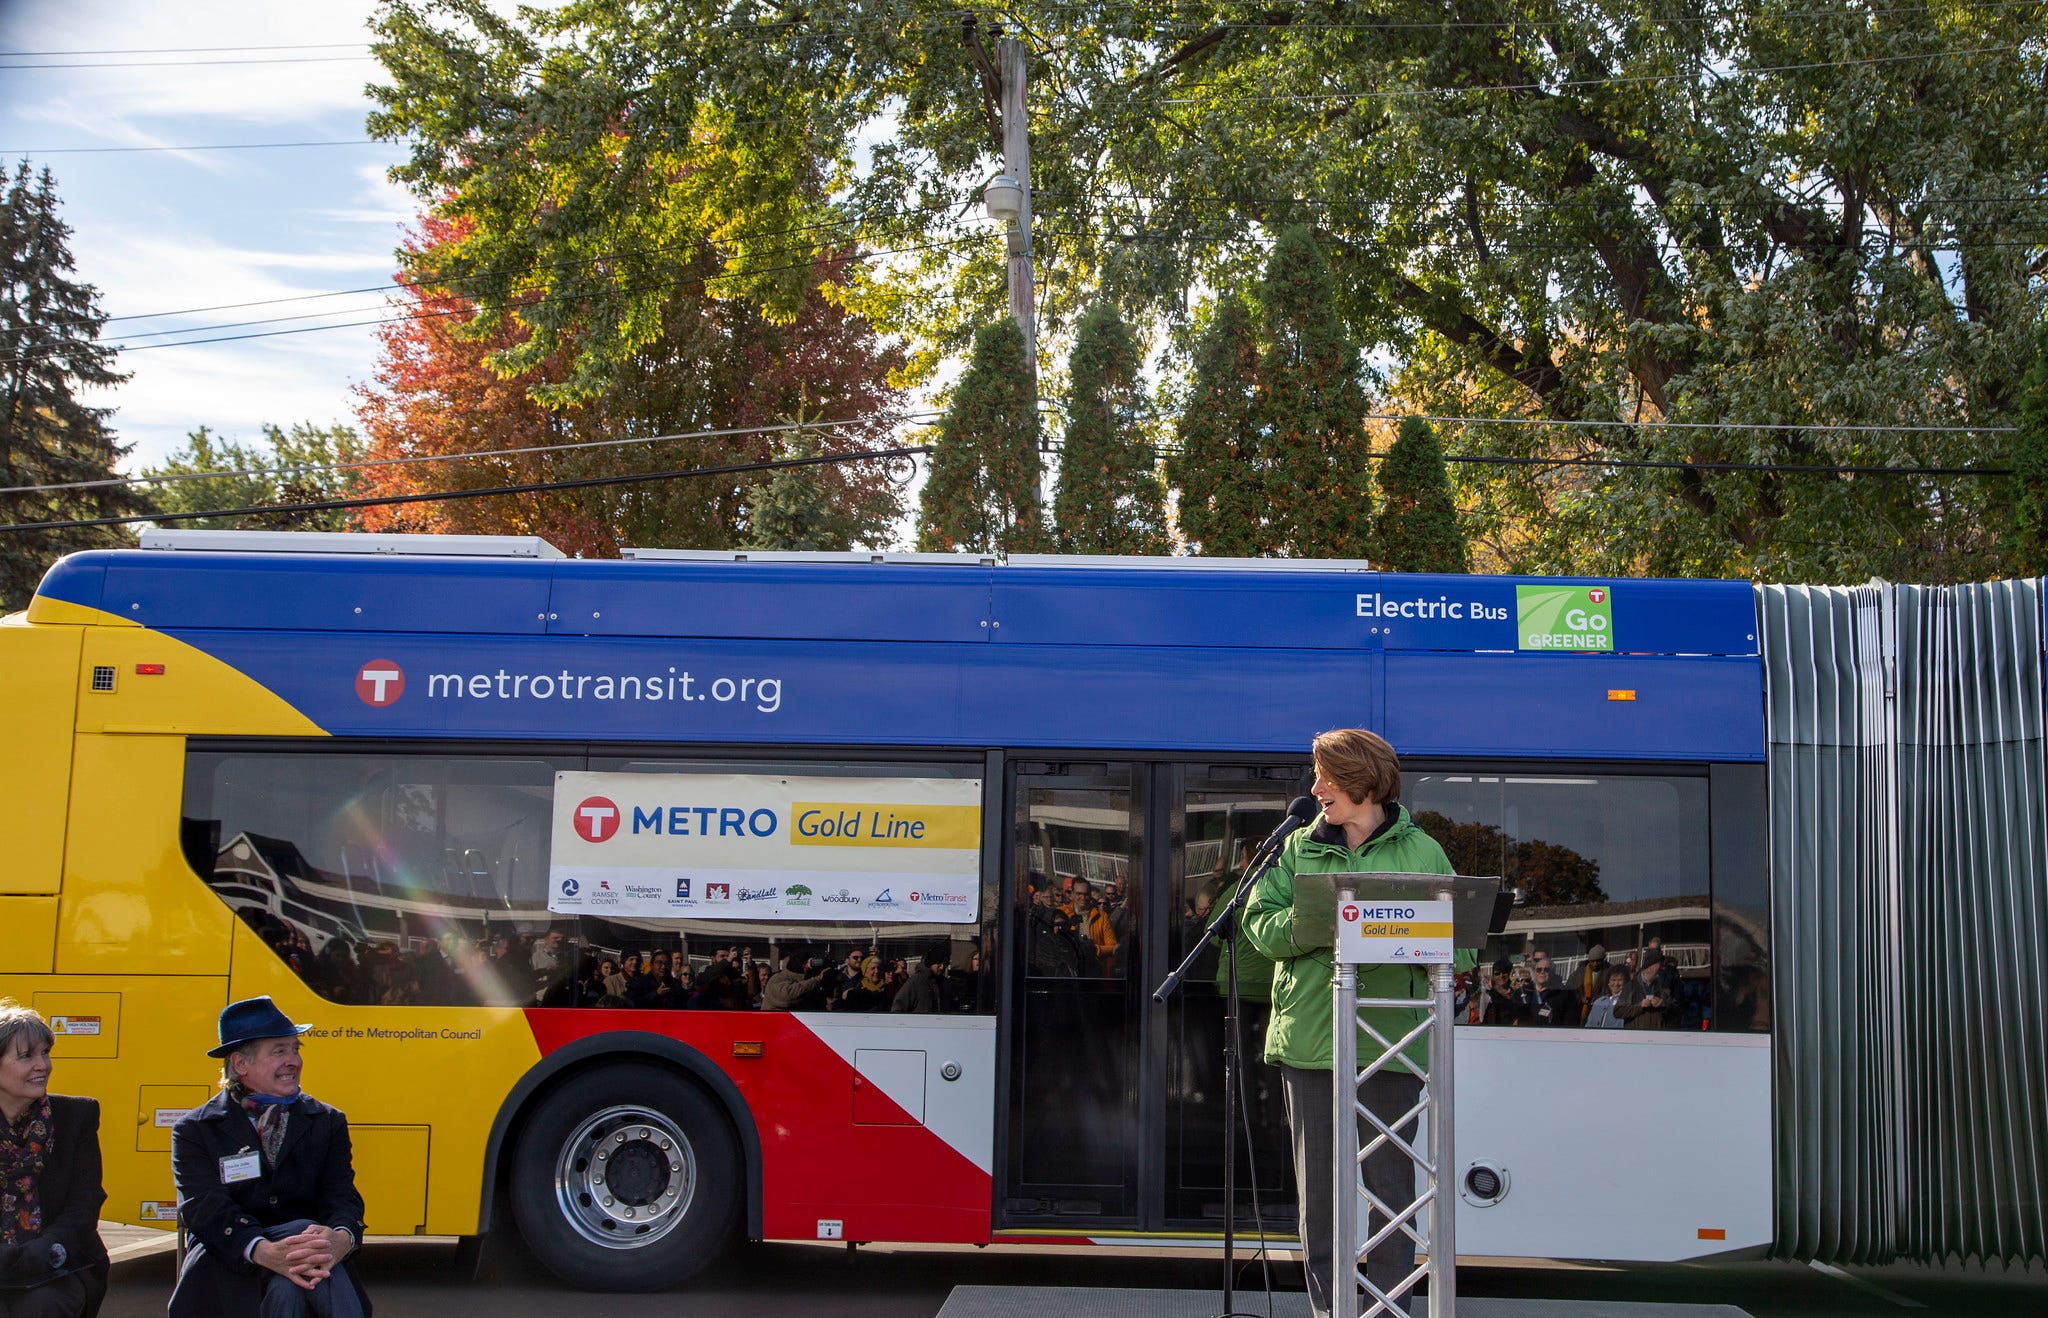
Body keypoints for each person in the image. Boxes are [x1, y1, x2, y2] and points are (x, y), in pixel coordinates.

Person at [1242, 729, 1475, 1318]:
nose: (1315, 787)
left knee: (1393, 1196)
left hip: (1393, 1045)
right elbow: (1258, 928)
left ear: (1363, 780)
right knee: (1318, 1200)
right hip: (1311, 1046)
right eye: (1315, 776)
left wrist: (1396, 935)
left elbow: (1465, 950)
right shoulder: (1294, 847)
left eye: (1326, 776)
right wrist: (1328, 924)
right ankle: (1332, 1312)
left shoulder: (1422, 852)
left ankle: (1391, 1309)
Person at [169, 997, 371, 1318]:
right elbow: (204, 1210)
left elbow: (342, 1196)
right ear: (240, 1064)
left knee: (291, 1284)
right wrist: (263, 1251)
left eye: (296, 1048)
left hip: (310, 1263)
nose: (293, 1060)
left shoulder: (327, 1121)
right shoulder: (195, 1129)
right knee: (302, 1241)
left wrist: (341, 1239)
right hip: (227, 1263)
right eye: (279, 1051)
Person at [0, 1001, 106, 1318]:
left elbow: (86, 1202)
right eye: (26, 1056)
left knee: (43, 1307)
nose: (42, 1066)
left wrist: (41, 1252)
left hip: (56, 1263)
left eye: (45, 1053)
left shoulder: (77, 1115)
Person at [1615, 954, 1676, 1030]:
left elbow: (1675, 1010)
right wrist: (1640, 1006)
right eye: (1660, 967)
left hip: (1657, 1037)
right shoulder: (1631, 986)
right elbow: (1618, 1011)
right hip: (1635, 1036)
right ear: (1649, 967)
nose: (1662, 970)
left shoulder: (1663, 988)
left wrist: (1662, 1003)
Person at [890, 946, 950, 1013]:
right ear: (930, 963)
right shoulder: (916, 981)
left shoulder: (944, 983)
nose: (942, 967)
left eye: (945, 964)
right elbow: (898, 1006)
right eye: (938, 964)